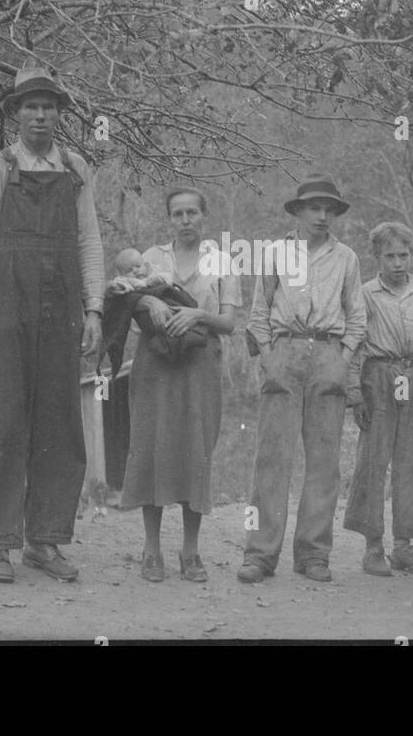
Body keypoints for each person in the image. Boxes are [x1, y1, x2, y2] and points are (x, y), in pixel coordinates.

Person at [0, 64, 103, 584]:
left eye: (49, 106)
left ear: (59, 114)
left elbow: (89, 244)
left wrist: (94, 310)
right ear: (15, 114)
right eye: (30, 106)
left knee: (60, 426)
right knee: (5, 423)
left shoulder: (77, 169)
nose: (40, 114)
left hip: (63, 309)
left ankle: (44, 542)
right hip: (7, 306)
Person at [238, 173, 366, 584]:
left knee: (325, 463)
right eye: (315, 207)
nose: (323, 216)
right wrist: (269, 357)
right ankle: (260, 554)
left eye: (329, 209)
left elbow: (357, 316)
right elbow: (259, 312)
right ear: (297, 212)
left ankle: (313, 553)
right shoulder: (276, 252)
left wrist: (341, 358)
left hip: (328, 352)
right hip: (284, 351)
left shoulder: (346, 258)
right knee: (273, 458)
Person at [119, 188, 240, 582]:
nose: (185, 219)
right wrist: (147, 303)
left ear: (204, 217)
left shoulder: (222, 262)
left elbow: (229, 324)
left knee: (195, 450)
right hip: (154, 363)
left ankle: (191, 551)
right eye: (178, 213)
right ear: (168, 219)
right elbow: (119, 299)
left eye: (192, 212)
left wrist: (198, 314)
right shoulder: (150, 259)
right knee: (151, 447)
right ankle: (151, 549)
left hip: (200, 365)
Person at [343, 222, 413, 577]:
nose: (398, 263)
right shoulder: (366, 294)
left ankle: (404, 546)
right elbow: (354, 346)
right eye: (390, 256)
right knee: (373, 462)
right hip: (379, 378)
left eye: (404, 255)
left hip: (412, 377)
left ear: (411, 254)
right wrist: (355, 394)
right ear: (377, 257)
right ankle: (373, 546)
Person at [101, 247, 208, 377]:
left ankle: (189, 338)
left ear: (145, 265)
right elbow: (119, 292)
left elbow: (167, 279)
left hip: (168, 303)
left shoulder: (154, 273)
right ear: (122, 274)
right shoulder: (126, 282)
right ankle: (167, 344)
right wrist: (117, 288)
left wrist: (156, 281)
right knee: (158, 328)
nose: (135, 271)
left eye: (137, 266)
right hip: (148, 315)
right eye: (129, 270)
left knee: (177, 316)